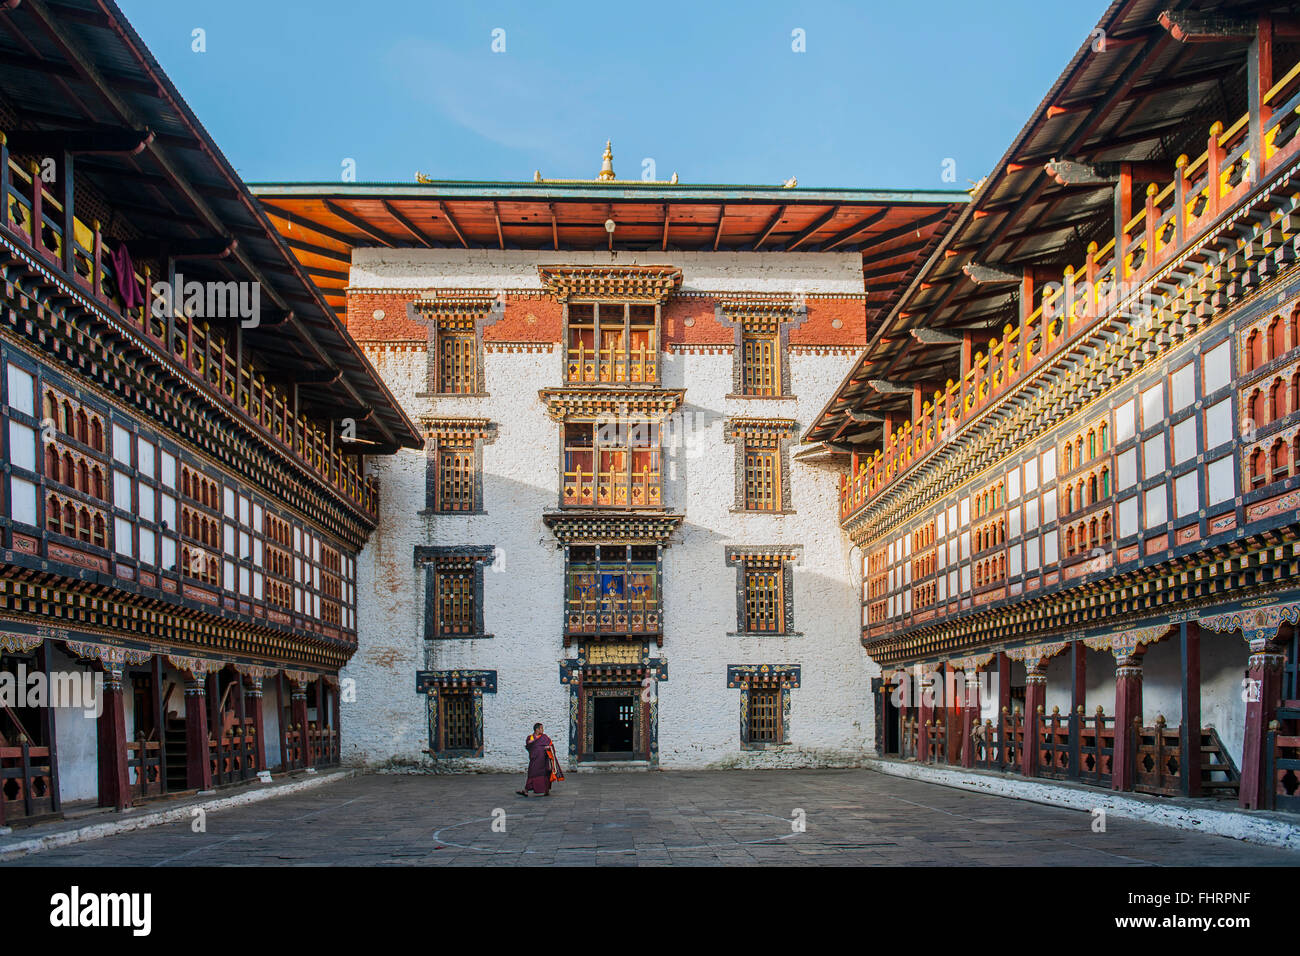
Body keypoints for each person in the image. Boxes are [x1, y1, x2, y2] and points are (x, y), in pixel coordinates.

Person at [518, 722, 554, 797]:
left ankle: (546, 791)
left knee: (545, 775)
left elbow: (551, 745)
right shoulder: (530, 737)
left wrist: (548, 747)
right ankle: (526, 791)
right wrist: (530, 743)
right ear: (537, 729)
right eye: (541, 728)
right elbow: (529, 746)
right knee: (532, 774)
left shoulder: (545, 737)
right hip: (535, 760)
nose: (543, 730)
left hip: (543, 761)